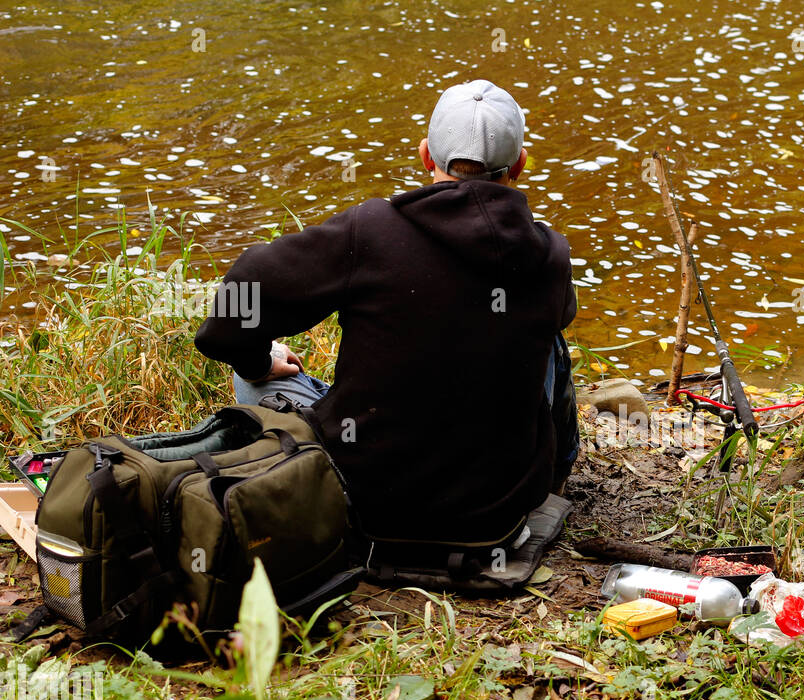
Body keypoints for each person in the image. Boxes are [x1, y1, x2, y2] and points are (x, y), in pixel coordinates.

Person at [195, 79, 580, 564]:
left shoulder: (371, 230)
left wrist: (257, 363)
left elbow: (239, 299)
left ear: (425, 156)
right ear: (520, 165)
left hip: (366, 510)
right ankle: (555, 478)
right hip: (494, 523)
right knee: (552, 341)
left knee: (247, 373)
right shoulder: (550, 254)